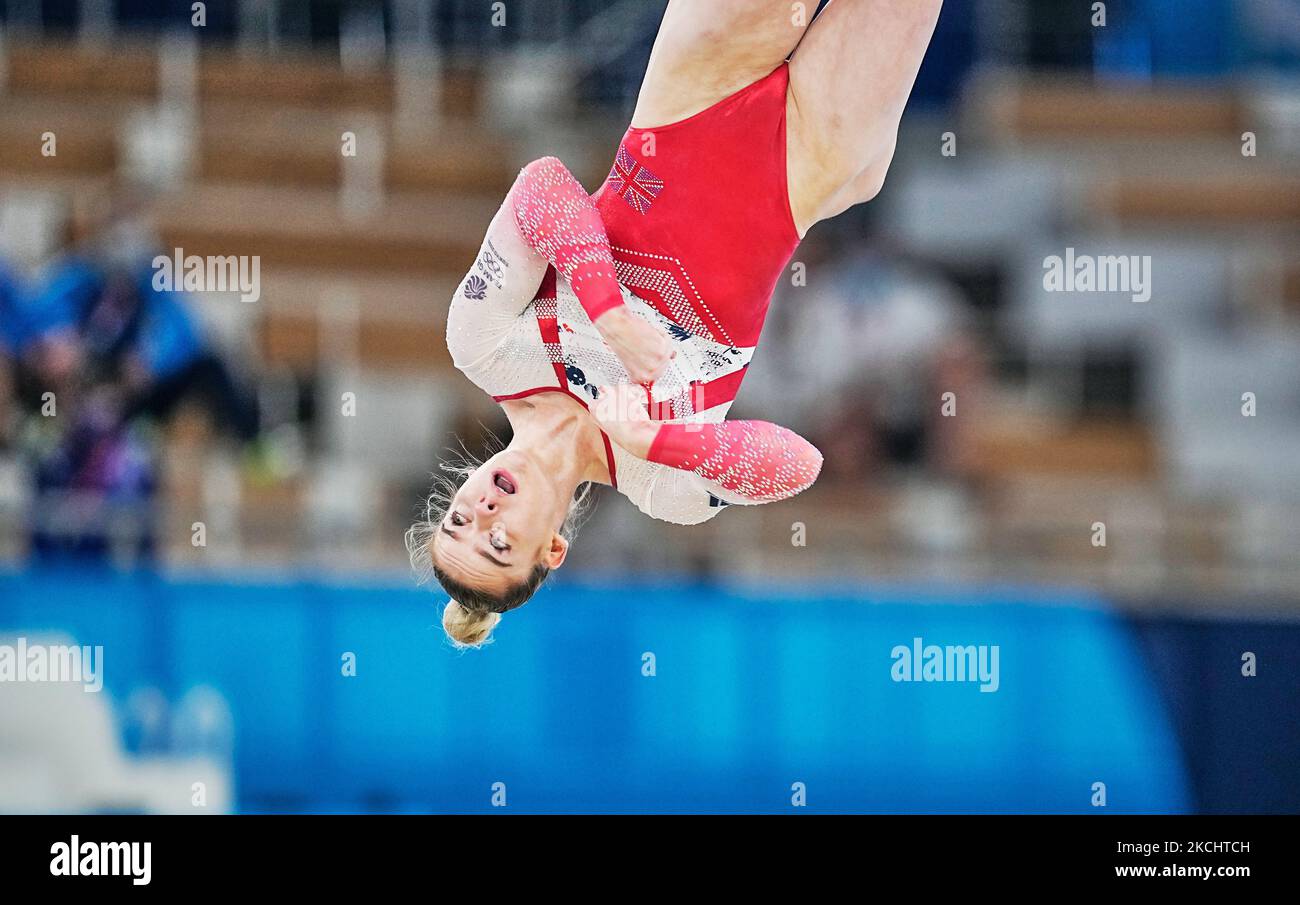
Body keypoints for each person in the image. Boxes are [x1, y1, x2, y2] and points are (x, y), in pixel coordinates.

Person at [410, 0, 944, 647]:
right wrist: (656, 443)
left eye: (459, 519)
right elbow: (798, 463)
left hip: (694, 88)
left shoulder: (485, 347)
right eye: (499, 543)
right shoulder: (661, 486)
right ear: (552, 550)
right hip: (806, 166)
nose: (484, 513)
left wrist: (607, 309)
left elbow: (542, 188)